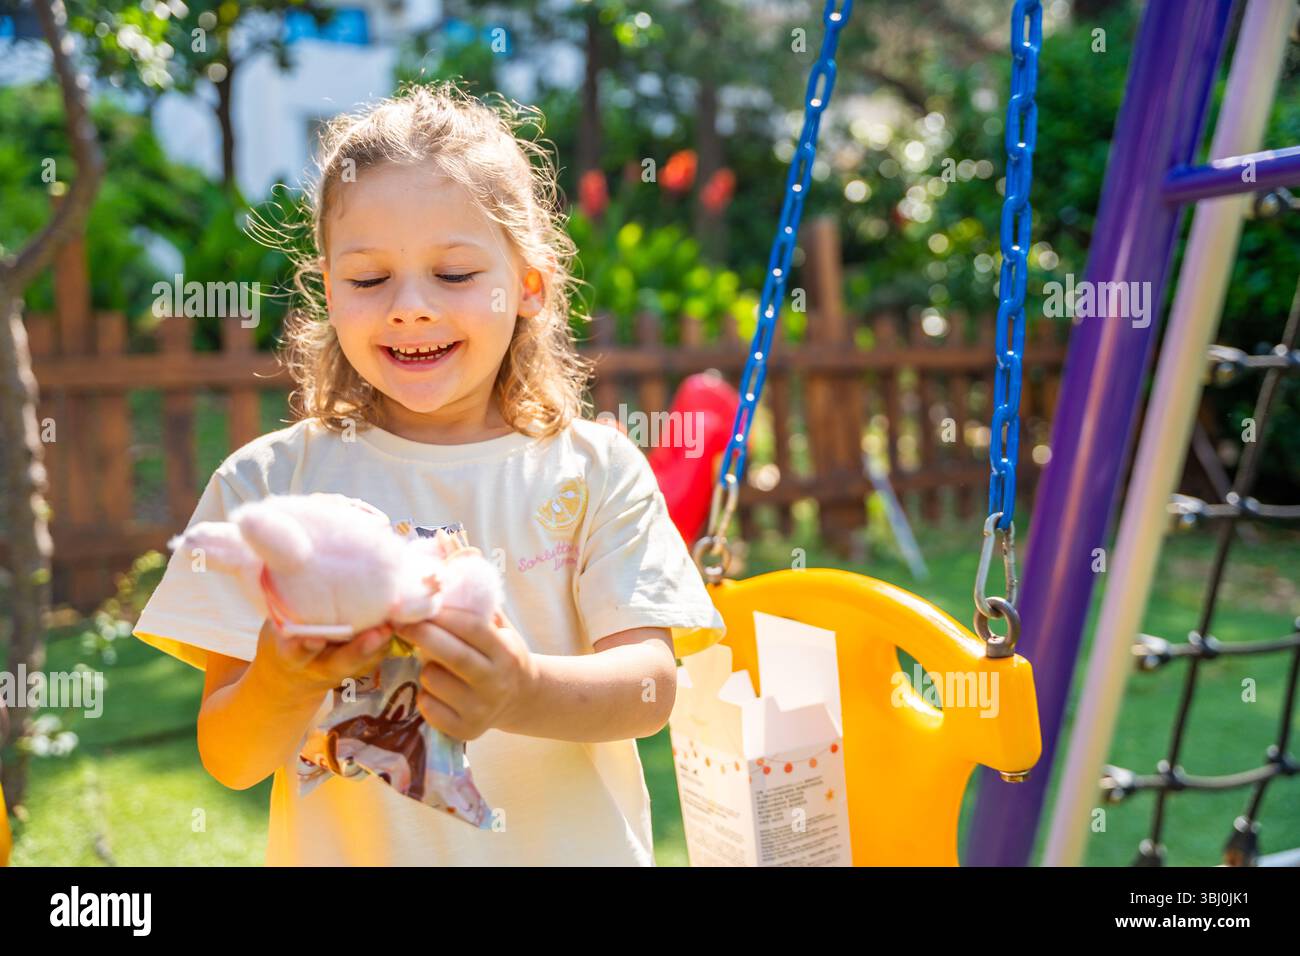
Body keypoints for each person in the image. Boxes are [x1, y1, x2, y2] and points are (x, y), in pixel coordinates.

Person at [133, 81, 725, 866]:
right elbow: (232, 758)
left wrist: (523, 690)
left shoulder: (595, 469)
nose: (409, 307)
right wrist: (283, 674)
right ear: (327, 291)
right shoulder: (266, 487)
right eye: (369, 279)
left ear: (529, 286)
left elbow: (652, 691)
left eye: (452, 274)